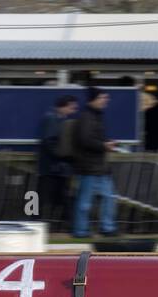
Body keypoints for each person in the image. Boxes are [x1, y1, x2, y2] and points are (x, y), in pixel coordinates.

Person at [72, 87, 119, 238]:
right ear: (94, 99)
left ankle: (107, 228)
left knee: (109, 198)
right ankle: (81, 230)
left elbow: (91, 138)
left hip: (99, 167)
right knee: (85, 202)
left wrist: (105, 142)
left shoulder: (95, 116)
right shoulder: (87, 117)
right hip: (88, 167)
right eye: (103, 98)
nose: (106, 100)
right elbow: (85, 140)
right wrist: (104, 145)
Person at [37, 94, 76, 227]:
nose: (73, 110)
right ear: (62, 106)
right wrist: (63, 156)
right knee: (46, 196)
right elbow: (50, 142)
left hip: (54, 166)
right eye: (71, 107)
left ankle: (37, 221)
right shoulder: (53, 119)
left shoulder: (57, 119)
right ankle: (35, 221)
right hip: (53, 166)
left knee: (56, 196)